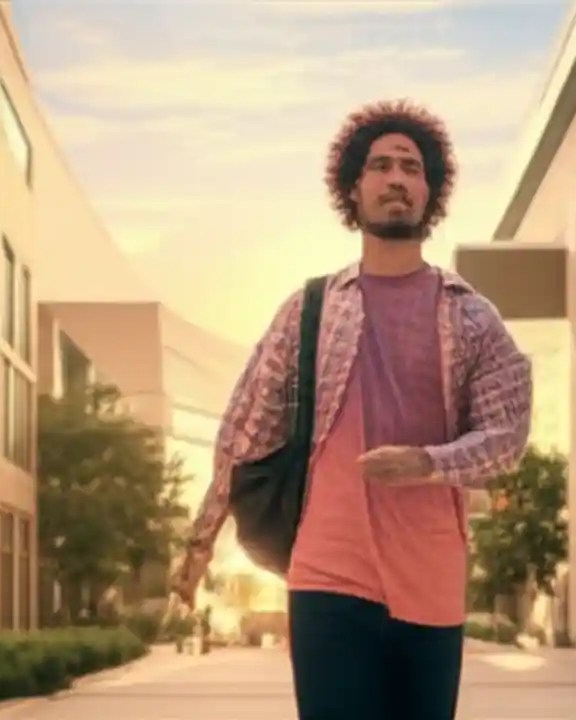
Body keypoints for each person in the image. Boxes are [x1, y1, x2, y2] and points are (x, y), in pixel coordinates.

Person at [170, 99, 533, 720]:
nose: (397, 178)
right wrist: (202, 540)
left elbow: (508, 436)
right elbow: (244, 430)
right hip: (327, 574)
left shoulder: (470, 316)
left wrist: (428, 462)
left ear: (431, 190)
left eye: (412, 168)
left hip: (431, 578)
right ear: (354, 188)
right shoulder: (308, 310)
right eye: (381, 165)